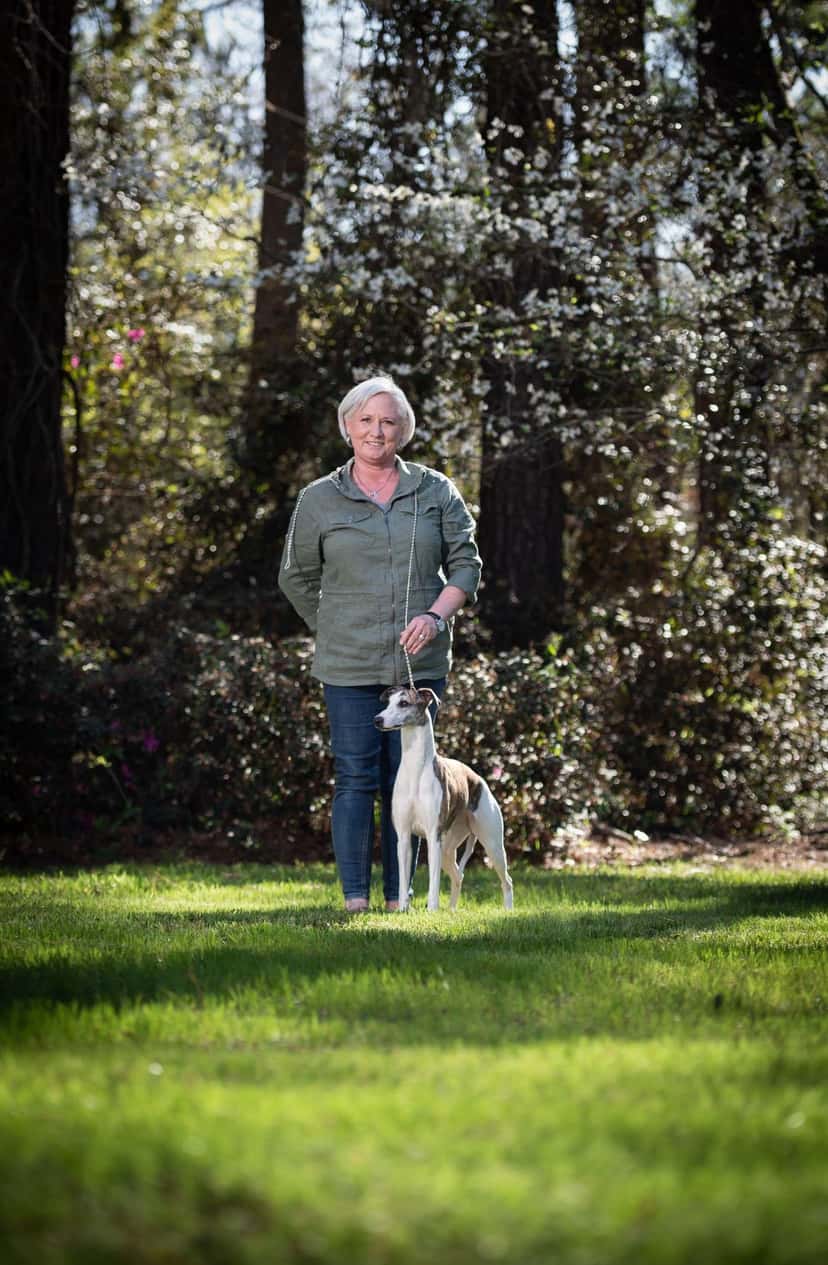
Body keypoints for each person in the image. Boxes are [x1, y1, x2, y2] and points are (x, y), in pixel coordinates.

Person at [278, 375, 482, 912]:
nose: (377, 430)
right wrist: (331, 628)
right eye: (366, 420)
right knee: (354, 777)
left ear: (404, 431)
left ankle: (399, 900)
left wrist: (436, 617)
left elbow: (467, 563)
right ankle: (354, 901)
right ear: (347, 427)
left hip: (419, 668)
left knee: (411, 779)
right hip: (347, 665)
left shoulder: (435, 491)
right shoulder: (318, 499)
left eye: (388, 421)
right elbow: (295, 577)